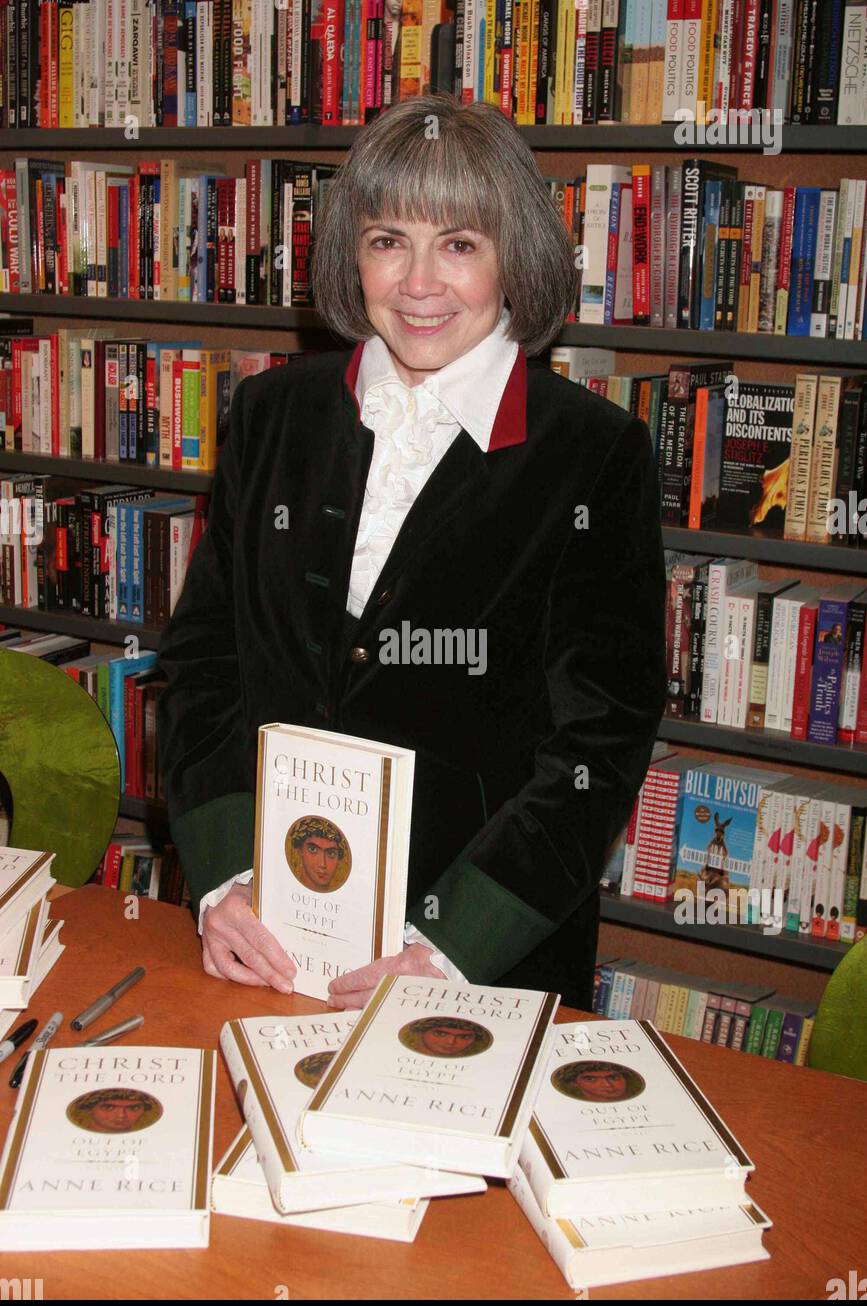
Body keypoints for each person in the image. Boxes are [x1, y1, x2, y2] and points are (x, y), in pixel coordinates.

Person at [156, 95, 667, 1011]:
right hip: (264, 939)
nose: (418, 283)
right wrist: (226, 876)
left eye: (460, 244)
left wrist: (452, 944)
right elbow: (204, 661)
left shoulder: (593, 454)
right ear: (353, 255)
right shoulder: (274, 415)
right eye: (389, 240)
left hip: (473, 964)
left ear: (516, 259)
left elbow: (600, 739)